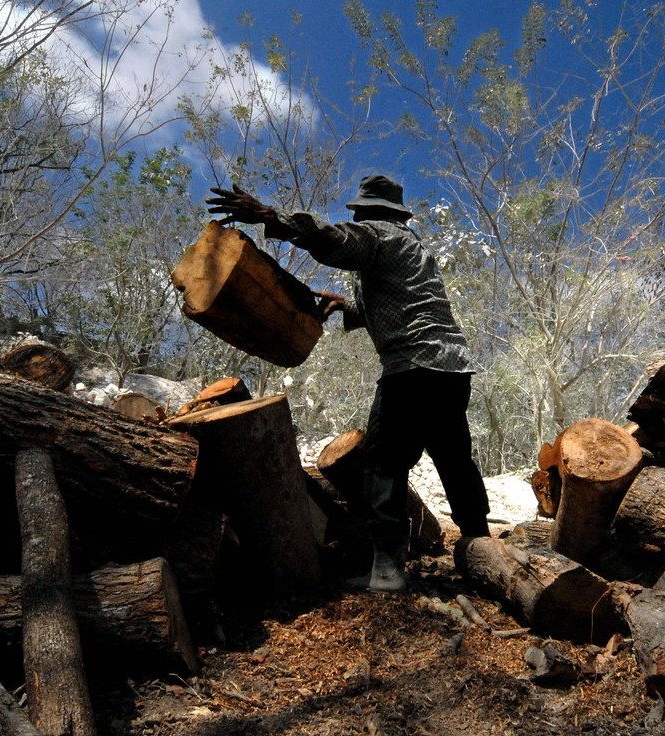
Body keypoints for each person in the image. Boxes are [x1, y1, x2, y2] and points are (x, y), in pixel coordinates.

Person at [206, 175, 491, 592]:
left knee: (382, 464)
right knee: (453, 457)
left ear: (371, 212)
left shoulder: (377, 235)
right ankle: (481, 544)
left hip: (411, 366)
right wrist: (348, 307)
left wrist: (269, 215)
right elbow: (403, 300)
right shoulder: (412, 247)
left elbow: (332, 240)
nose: (354, 216)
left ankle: (388, 568)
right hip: (450, 367)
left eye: (358, 212)